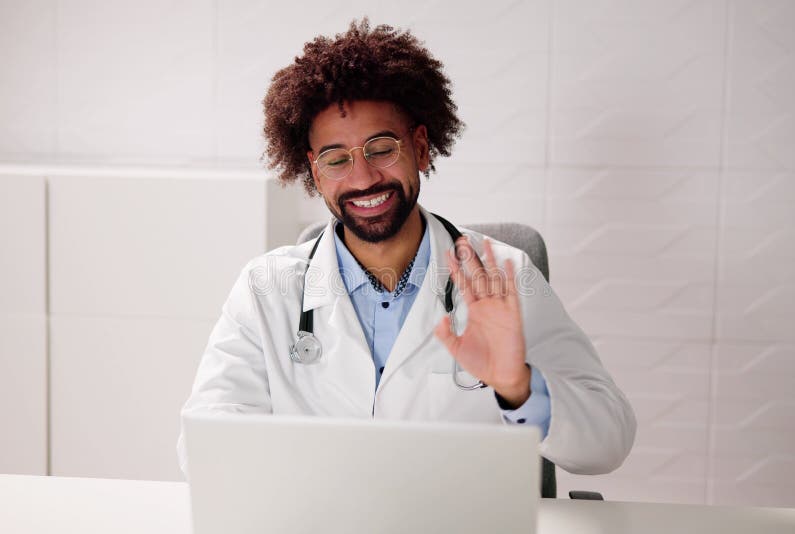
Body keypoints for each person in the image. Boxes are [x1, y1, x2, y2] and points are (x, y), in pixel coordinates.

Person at [177, 19, 636, 477]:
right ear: (315, 173)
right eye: (337, 159)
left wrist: (519, 384)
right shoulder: (266, 288)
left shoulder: (503, 278)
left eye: (381, 148)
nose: (362, 179)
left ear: (419, 147)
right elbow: (206, 446)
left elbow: (608, 441)